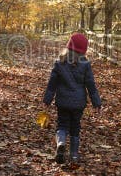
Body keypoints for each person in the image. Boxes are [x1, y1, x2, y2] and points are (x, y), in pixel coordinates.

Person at [43, 32, 101, 164]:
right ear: (84, 50)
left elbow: (52, 84)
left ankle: (61, 143)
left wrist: (47, 100)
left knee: (62, 125)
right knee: (75, 128)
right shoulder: (85, 64)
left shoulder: (59, 63)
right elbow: (91, 85)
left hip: (62, 101)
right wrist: (96, 103)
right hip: (78, 103)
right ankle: (74, 155)